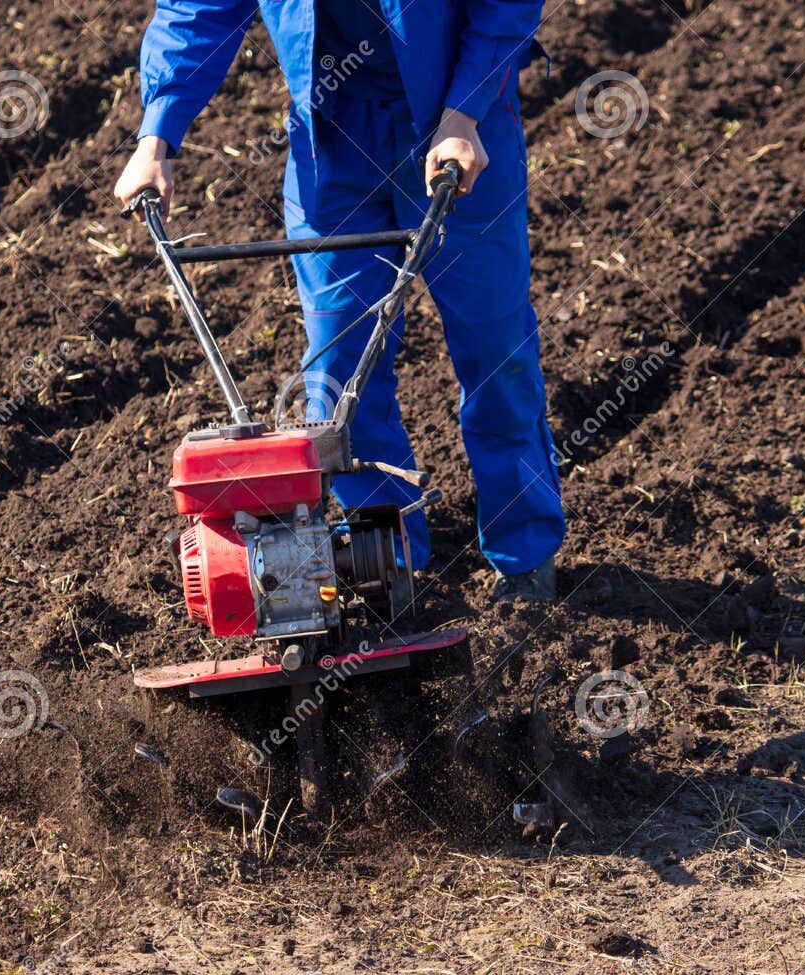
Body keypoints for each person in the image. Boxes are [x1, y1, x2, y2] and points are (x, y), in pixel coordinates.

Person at [114, 0, 566, 602]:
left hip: (455, 130)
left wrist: (465, 111)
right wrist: (156, 135)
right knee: (340, 368)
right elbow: (196, 9)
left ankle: (524, 551)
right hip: (330, 148)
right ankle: (385, 554)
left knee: (495, 353)